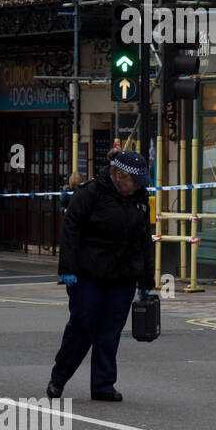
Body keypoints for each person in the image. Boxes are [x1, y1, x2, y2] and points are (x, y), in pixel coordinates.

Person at [48, 150, 155, 402]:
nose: (139, 185)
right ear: (119, 175)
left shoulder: (140, 199)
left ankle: (103, 384)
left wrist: (146, 278)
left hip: (123, 276)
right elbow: (70, 230)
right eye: (135, 180)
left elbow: (144, 240)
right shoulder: (89, 193)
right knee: (82, 328)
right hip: (88, 274)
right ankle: (59, 377)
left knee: (110, 332)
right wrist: (67, 269)